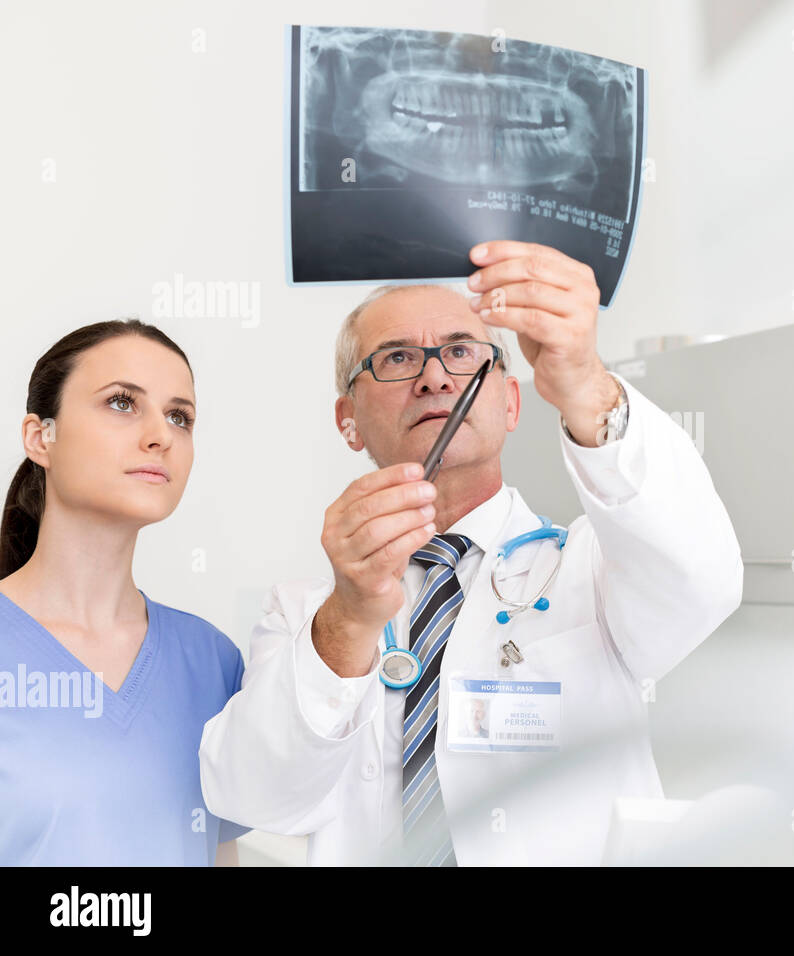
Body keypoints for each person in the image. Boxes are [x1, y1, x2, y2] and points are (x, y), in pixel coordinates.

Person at [199, 240, 743, 865]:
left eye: (460, 351)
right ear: (348, 421)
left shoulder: (591, 571)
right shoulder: (305, 616)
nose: (435, 376)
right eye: (397, 358)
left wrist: (588, 386)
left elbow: (703, 581)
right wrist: (350, 618)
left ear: (511, 403)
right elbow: (254, 799)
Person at [0, 320, 249, 865]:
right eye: (121, 403)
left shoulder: (212, 662)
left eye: (179, 416)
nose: (160, 434)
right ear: (42, 437)